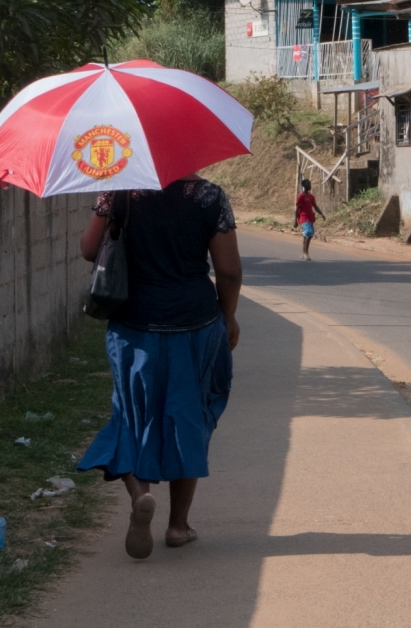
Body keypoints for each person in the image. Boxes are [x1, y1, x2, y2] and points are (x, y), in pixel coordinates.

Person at [77, 175, 242, 560]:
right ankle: (178, 526)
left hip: (134, 326)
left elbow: (88, 249)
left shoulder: (118, 191)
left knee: (131, 416)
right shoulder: (209, 197)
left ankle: (141, 495)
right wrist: (229, 315)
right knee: (189, 417)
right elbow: (229, 271)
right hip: (195, 324)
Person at [295, 179, 325, 261]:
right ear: (304, 186)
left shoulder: (311, 197)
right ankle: (306, 253)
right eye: (308, 184)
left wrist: (321, 214)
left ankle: (303, 253)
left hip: (310, 217)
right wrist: (295, 221)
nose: (310, 186)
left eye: (310, 184)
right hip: (303, 217)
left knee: (307, 235)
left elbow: (315, 206)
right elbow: (297, 209)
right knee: (309, 233)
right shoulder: (301, 196)